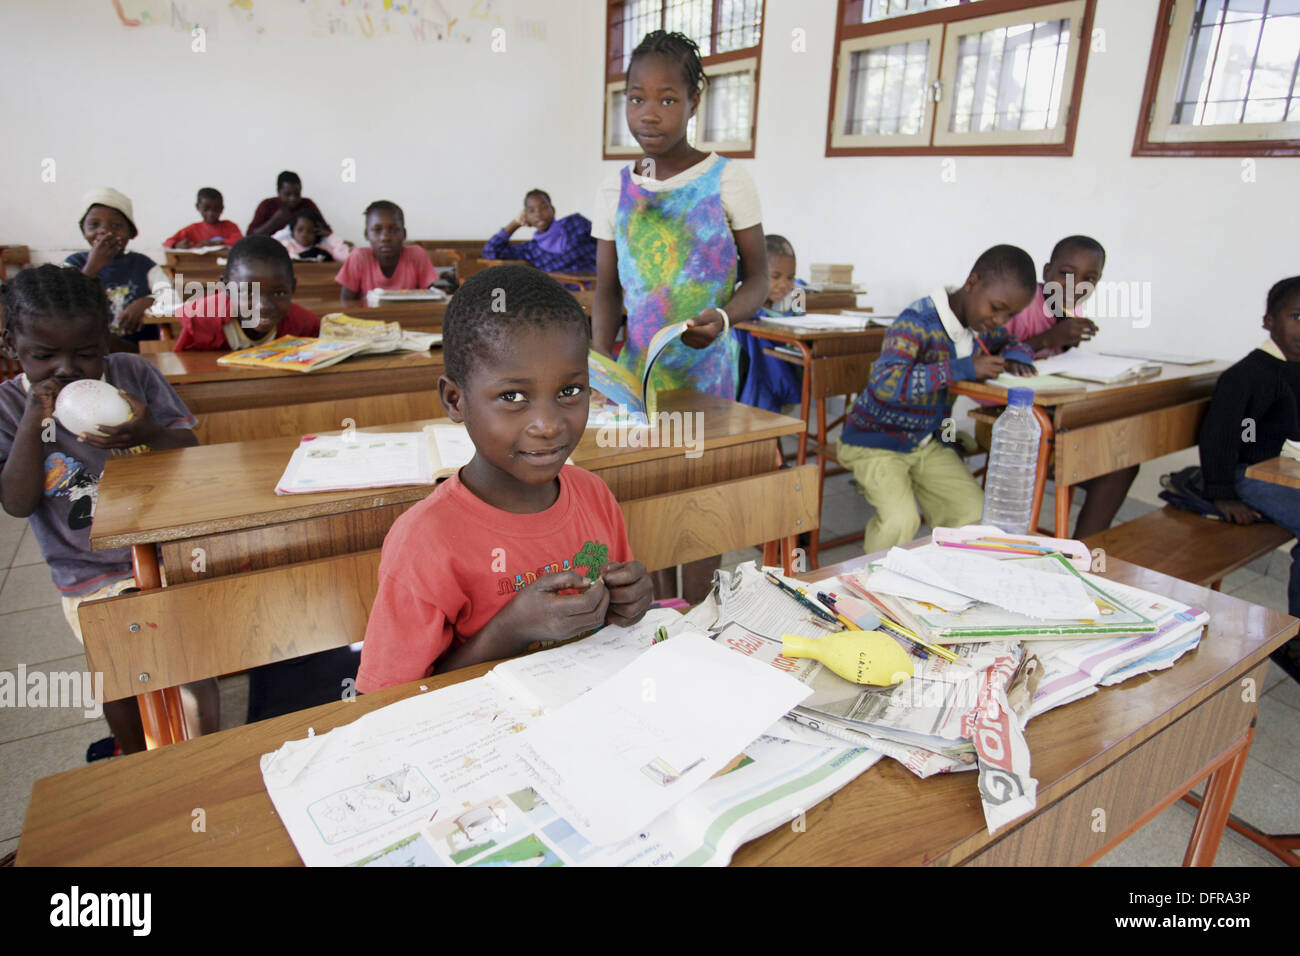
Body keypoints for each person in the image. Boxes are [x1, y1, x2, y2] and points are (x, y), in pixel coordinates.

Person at [356, 266, 653, 692]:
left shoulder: (594, 495)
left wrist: (630, 599)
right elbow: (387, 703)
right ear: (455, 400)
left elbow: (613, 612)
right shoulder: (425, 541)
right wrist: (508, 631)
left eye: (570, 391)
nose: (548, 425)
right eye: (513, 397)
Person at [0, 264, 216, 756]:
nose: (66, 370)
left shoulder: (134, 375)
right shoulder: (11, 407)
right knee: (119, 673)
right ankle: (133, 757)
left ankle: (205, 752)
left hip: (165, 550)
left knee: (191, 661)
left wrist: (148, 434)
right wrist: (37, 420)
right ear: (11, 344)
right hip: (87, 570)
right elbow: (15, 502)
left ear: (106, 338)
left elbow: (190, 448)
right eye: (43, 355)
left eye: (86, 353)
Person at [590, 29, 769, 604]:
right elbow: (605, 294)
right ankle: (662, 614)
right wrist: (595, 373)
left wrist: (722, 314)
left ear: (694, 102)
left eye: (668, 98)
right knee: (645, 503)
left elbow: (759, 280)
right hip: (636, 374)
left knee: (700, 503)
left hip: (706, 371)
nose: (650, 113)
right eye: (636, 98)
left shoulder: (727, 180)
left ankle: (699, 614)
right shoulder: (614, 189)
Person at [837, 245, 1038, 553]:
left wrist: (1013, 355)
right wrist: (964, 368)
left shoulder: (979, 327)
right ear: (972, 283)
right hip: (873, 441)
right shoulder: (917, 321)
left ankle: (943, 582)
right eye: (996, 308)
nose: (1000, 319)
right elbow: (886, 382)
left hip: (927, 441)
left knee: (973, 513)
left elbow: (1013, 341)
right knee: (900, 521)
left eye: (1010, 314)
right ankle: (873, 584)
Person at [1198, 275, 1300, 680]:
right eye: (1296, 316)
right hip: (1245, 476)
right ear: (1268, 321)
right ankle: (1295, 642)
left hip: (1281, 472)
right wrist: (1224, 494)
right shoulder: (1250, 375)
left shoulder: (1294, 370)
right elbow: (1224, 435)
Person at [1002, 235, 1136, 537]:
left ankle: (1080, 558)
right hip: (1011, 421)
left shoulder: (1068, 311)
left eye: (1090, 278)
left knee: (1121, 462)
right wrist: (1050, 339)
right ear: (1047, 271)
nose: (1077, 286)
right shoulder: (1019, 303)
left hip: (1054, 416)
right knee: (1102, 455)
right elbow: (989, 357)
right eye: (1067, 273)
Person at [173, 236, 320, 351]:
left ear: (293, 288)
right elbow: (185, 377)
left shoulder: (305, 325)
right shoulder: (201, 320)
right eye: (249, 292)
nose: (264, 307)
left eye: (279, 293)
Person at [64, 187, 171, 344]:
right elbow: (61, 304)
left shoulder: (143, 265)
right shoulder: (73, 264)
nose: (105, 232)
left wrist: (148, 301)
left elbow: (171, 297)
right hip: (88, 354)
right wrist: (91, 268)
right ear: (83, 230)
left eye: (116, 226)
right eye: (94, 225)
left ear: (131, 232)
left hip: (139, 354)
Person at [737, 234, 805, 412]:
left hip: (787, 378)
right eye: (775, 276)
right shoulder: (744, 301)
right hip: (754, 382)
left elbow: (802, 317)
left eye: (790, 277)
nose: (784, 285)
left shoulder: (796, 295)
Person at [335, 200, 439, 302]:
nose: (385, 237)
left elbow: (432, 300)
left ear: (404, 234)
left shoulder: (417, 255)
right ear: (366, 234)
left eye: (394, 230)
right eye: (377, 230)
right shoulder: (359, 257)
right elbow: (346, 304)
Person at [482, 190, 597, 273]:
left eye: (544, 207)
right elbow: (490, 251)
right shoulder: (531, 250)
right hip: (563, 300)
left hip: (597, 290)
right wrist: (515, 223)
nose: (538, 214)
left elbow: (607, 241)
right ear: (526, 216)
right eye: (532, 211)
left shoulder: (575, 223)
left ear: (553, 210)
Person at [247, 170, 329, 238]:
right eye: (288, 194)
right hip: (270, 252)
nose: (293, 198)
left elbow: (327, 232)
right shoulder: (267, 205)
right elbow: (249, 237)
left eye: (297, 194)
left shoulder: (307, 204)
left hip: (304, 253)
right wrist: (274, 221)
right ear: (279, 192)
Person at [162, 187, 243, 249]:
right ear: (198, 207)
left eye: (216, 209)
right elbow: (167, 243)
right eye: (206, 209)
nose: (211, 213)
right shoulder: (192, 229)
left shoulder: (230, 226)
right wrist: (176, 245)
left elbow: (240, 242)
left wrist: (214, 244)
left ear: (222, 208)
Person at [275, 207, 350, 262]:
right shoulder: (286, 246)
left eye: (310, 231)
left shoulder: (323, 248)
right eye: (300, 230)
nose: (304, 234)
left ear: (317, 232)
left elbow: (344, 258)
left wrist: (330, 236)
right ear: (292, 230)